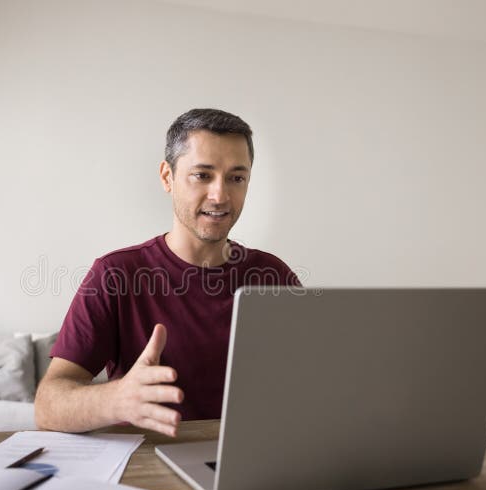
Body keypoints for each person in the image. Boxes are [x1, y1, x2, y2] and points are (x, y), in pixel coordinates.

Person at [34, 109, 299, 437]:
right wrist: (116, 399)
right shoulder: (114, 274)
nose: (220, 195)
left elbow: (310, 380)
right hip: (147, 469)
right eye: (202, 175)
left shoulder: (273, 275)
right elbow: (47, 405)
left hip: (251, 460)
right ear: (167, 177)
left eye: (236, 177)